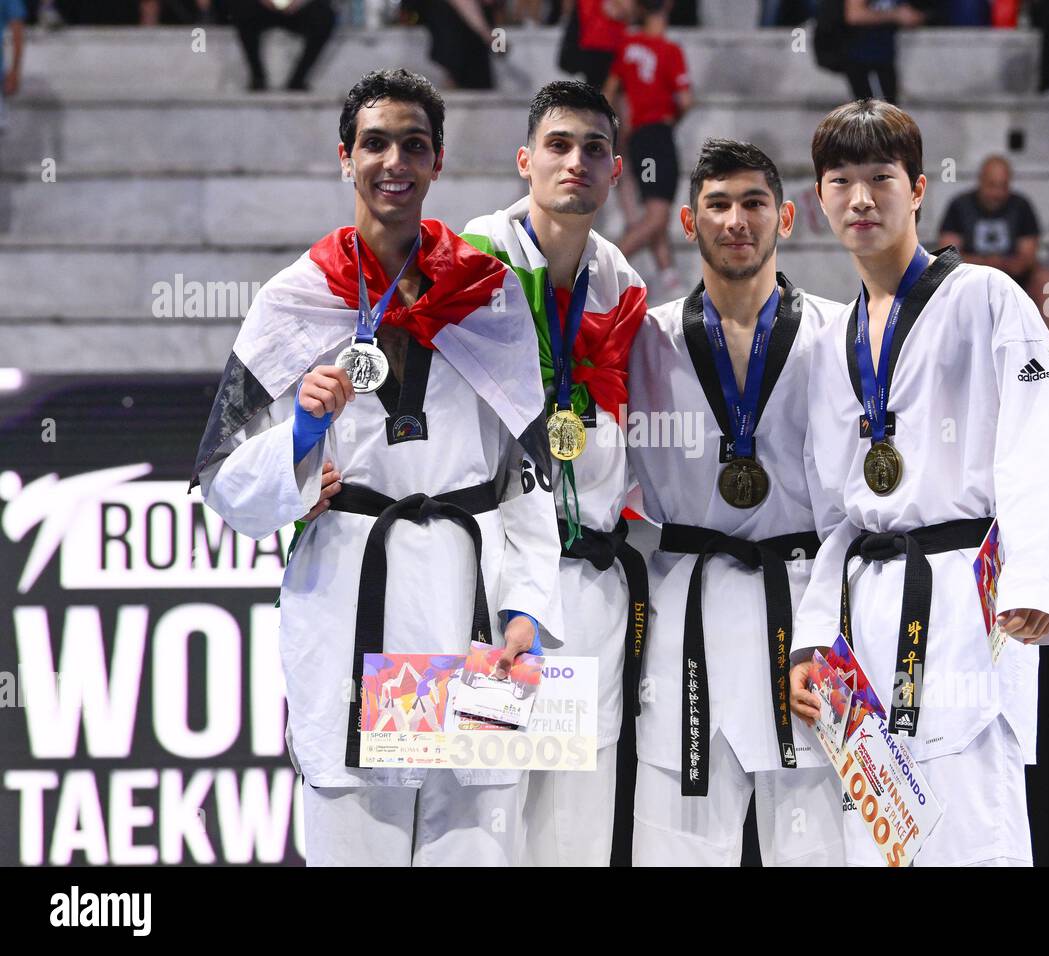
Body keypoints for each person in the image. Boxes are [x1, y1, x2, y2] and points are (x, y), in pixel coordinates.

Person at [192, 69, 561, 866]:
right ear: (344, 155)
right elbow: (222, 480)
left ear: (437, 162)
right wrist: (300, 431)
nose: (394, 160)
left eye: (413, 144)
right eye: (375, 143)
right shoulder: (294, 300)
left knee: (476, 850)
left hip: (474, 626)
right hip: (350, 614)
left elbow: (527, 479)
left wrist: (528, 610)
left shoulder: (490, 296)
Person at [790, 99, 1049, 866]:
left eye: (880, 179)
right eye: (841, 181)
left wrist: (1036, 581)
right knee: (872, 839)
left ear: (918, 189)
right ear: (819, 197)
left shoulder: (988, 299)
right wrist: (814, 637)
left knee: (972, 821)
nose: (861, 199)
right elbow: (833, 518)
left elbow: (1042, 437)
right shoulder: (829, 341)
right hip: (863, 619)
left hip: (962, 600)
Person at [626, 139, 847, 867]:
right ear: (688, 221)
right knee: (675, 851)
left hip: (808, 618)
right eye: (717, 205)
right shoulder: (643, 341)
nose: (735, 220)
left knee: (818, 853)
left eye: (753, 203)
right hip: (686, 617)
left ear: (785, 216)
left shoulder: (841, 335)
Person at [461, 80, 649, 867]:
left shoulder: (624, 285)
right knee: (479, 828)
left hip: (593, 591)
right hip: (492, 594)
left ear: (615, 171)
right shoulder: (470, 264)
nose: (577, 162)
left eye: (595, 149)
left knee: (571, 840)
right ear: (524, 160)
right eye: (559, 145)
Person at [604, 0, 693, 297]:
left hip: (639, 141)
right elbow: (685, 100)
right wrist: (672, 117)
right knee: (657, 216)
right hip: (658, 136)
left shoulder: (627, 46)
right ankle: (601, 266)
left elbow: (609, 92)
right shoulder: (670, 50)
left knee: (654, 210)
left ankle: (668, 276)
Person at [937, 155, 1049, 342]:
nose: (997, 193)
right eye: (992, 185)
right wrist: (986, 264)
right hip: (971, 279)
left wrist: (1001, 265)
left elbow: (1027, 256)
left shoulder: (1021, 206)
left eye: (1002, 186)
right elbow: (947, 254)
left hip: (1015, 278)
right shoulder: (960, 206)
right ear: (981, 180)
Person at [227, 0, 337, 92]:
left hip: (300, 9)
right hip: (263, 8)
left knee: (325, 16)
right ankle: (258, 77)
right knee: (241, 9)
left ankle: (297, 80)